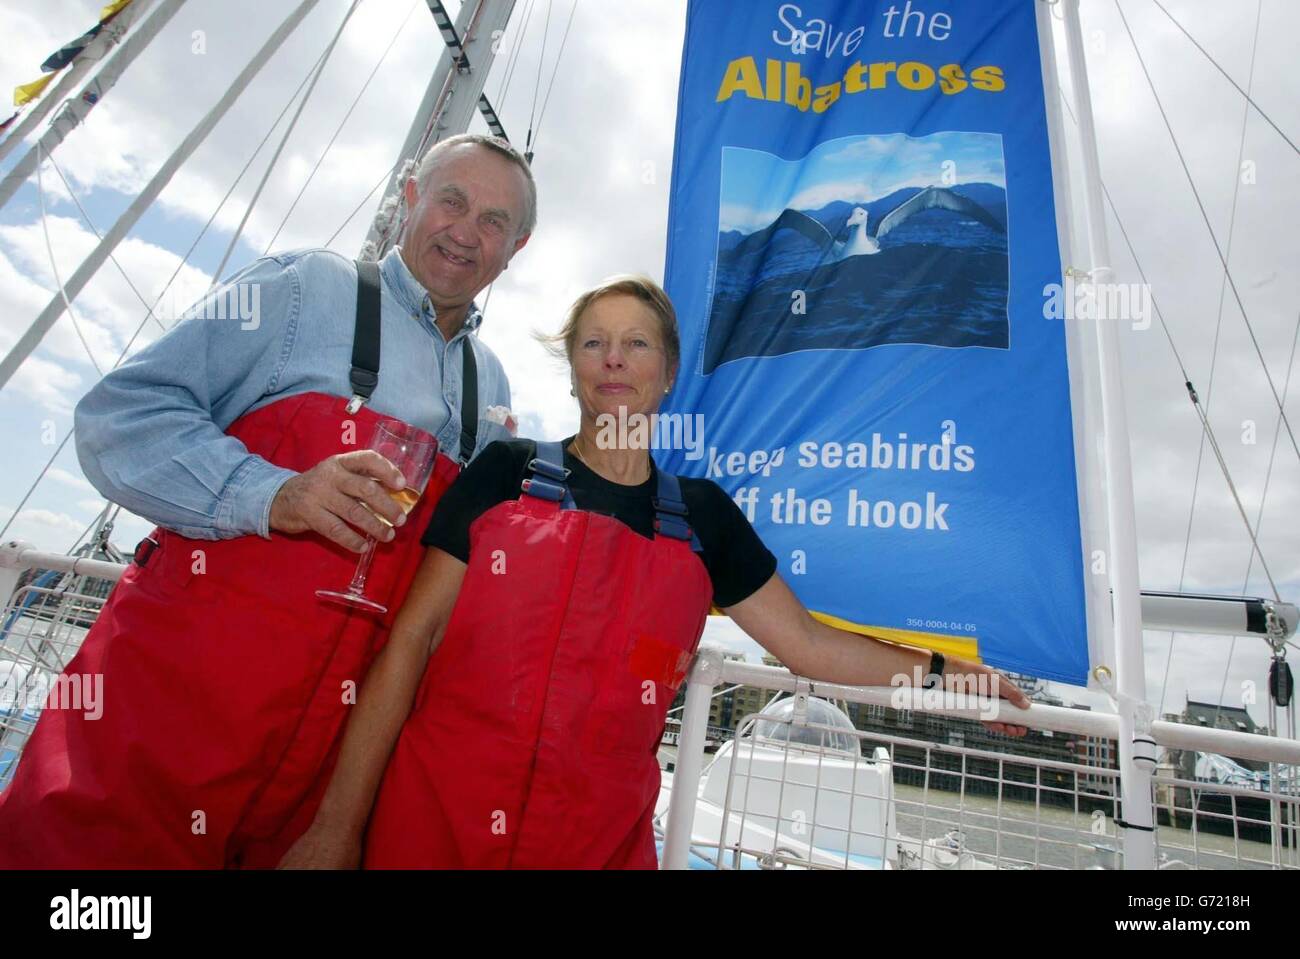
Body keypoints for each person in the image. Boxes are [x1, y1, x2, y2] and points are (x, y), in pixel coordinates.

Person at [279, 275, 1031, 870]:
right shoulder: (505, 472)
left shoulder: (703, 518)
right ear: (572, 365)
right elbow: (409, 642)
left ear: (666, 373)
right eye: (594, 342)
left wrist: (949, 676)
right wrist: (336, 828)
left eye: (636, 344)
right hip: (428, 823)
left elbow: (808, 645)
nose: (614, 359)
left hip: (594, 844)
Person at [0, 133, 535, 869]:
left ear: (518, 247)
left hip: (318, 778)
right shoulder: (303, 287)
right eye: (451, 200)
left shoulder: (493, 387)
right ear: (410, 196)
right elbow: (118, 415)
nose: (466, 231)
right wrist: (275, 491)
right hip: (163, 724)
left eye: (494, 221)